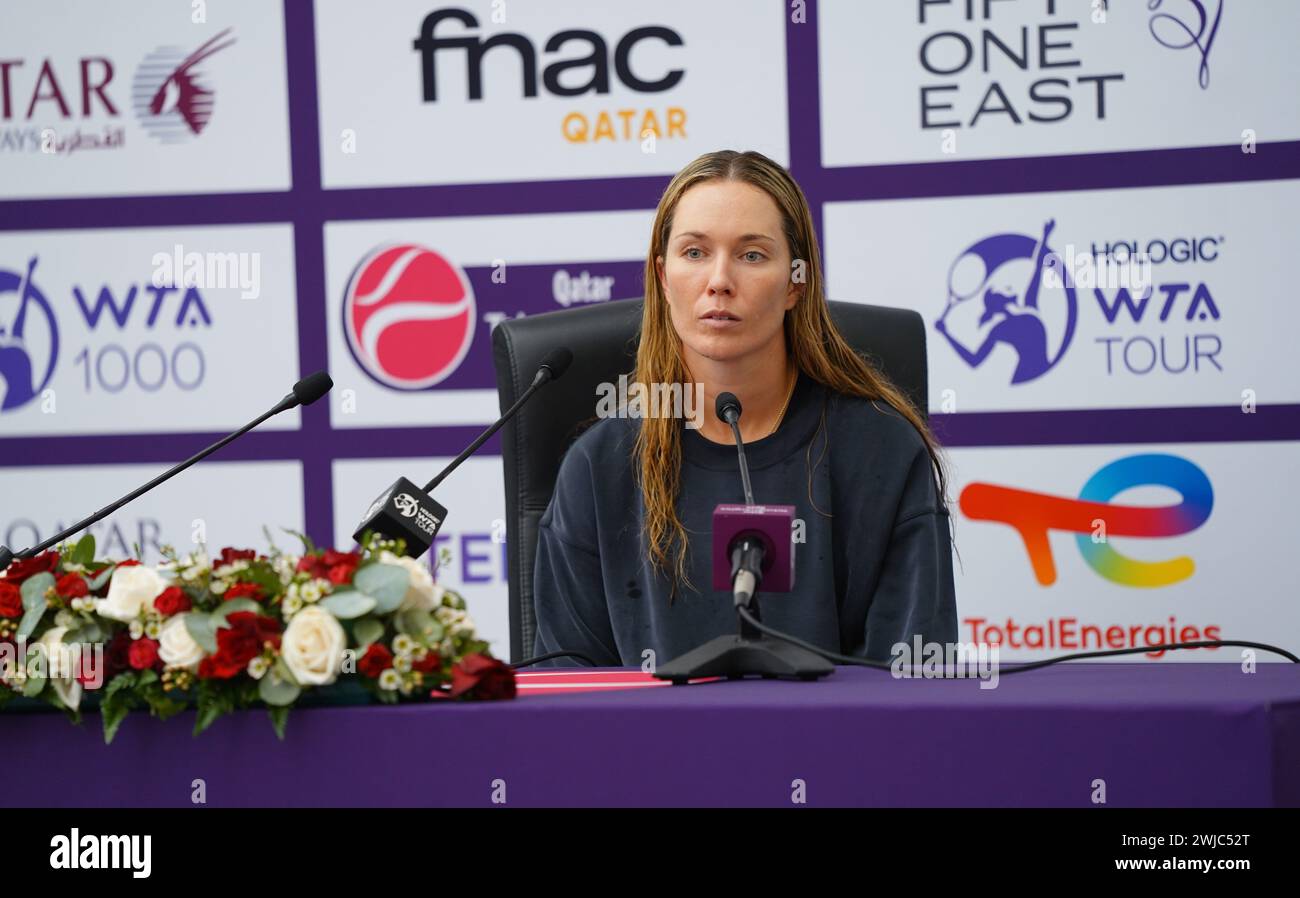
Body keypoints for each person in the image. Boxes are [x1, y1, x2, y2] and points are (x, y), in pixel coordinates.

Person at [531, 149, 956, 667]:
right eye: (694, 253)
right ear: (663, 278)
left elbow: (910, 681)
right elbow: (568, 695)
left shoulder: (883, 452)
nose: (719, 280)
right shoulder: (598, 467)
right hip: (649, 750)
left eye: (752, 255)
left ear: (796, 282)